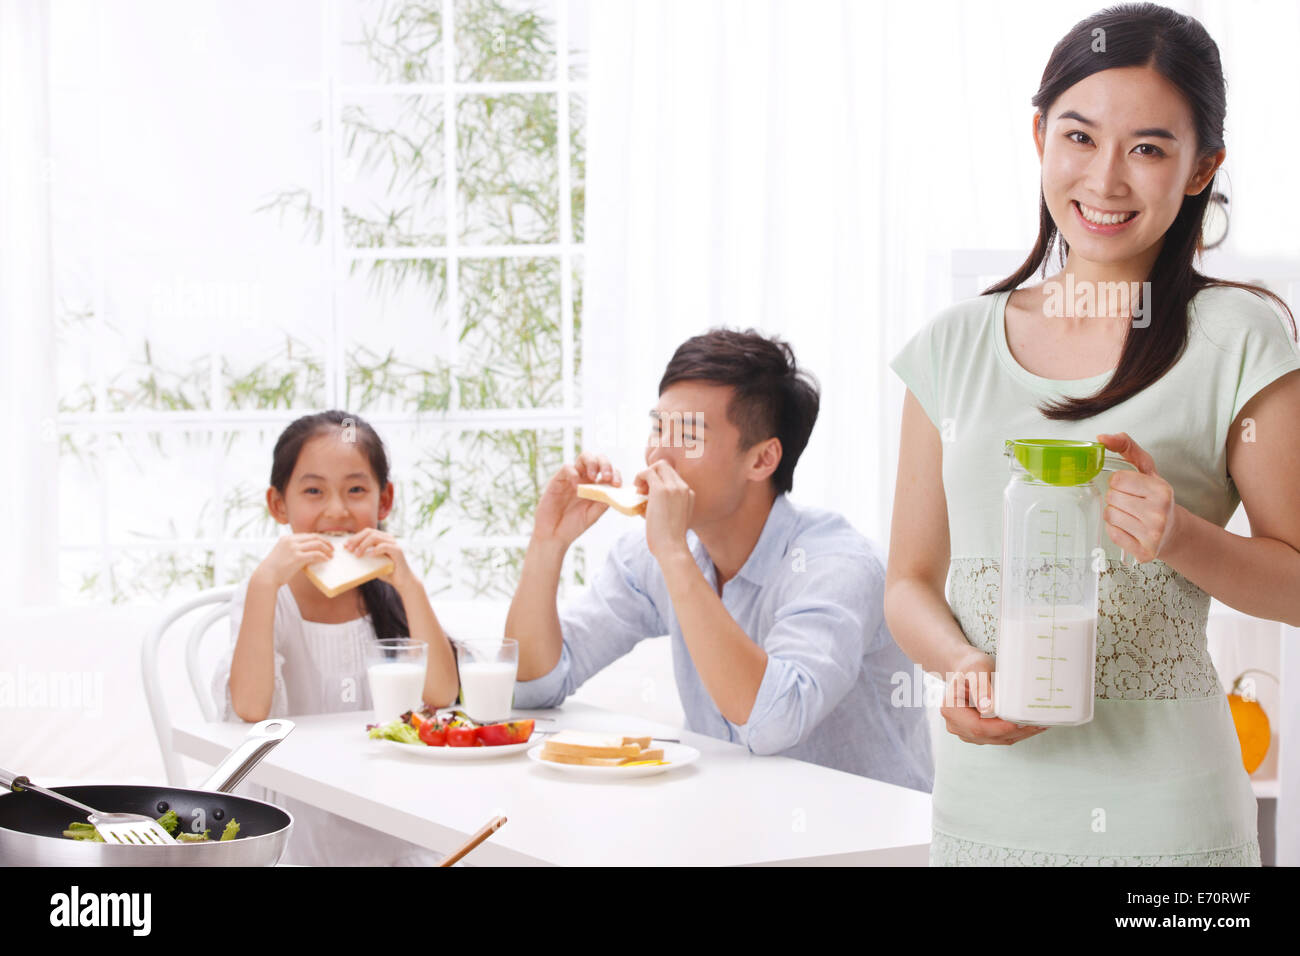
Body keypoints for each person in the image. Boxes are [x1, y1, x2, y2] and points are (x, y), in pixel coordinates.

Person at [886, 2, 1300, 865]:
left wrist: (1178, 534)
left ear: (1201, 169)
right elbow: (909, 582)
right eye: (1079, 137)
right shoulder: (950, 347)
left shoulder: (1238, 339)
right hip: (984, 821)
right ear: (1039, 135)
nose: (1106, 180)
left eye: (1148, 148)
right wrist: (962, 664)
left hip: (1170, 835)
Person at [507, 328, 934, 792]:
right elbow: (532, 686)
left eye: (688, 436)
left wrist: (672, 553)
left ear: (762, 459)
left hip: (863, 840)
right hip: (731, 822)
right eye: (657, 428)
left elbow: (773, 722)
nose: (657, 455)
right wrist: (547, 544)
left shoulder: (837, 565)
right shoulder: (651, 558)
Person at [211, 409, 459, 865]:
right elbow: (250, 707)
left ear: (384, 502)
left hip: (385, 813)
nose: (337, 510)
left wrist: (410, 586)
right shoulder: (269, 594)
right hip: (291, 817)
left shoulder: (394, 591)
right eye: (313, 491)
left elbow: (441, 694)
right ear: (278, 504)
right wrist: (264, 582)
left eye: (356, 490)